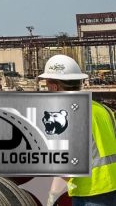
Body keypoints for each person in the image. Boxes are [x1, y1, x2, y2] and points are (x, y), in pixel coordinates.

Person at [39, 55, 116, 205]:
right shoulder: (103, 109)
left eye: (47, 85)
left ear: (54, 87)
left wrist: (53, 194)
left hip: (90, 193)